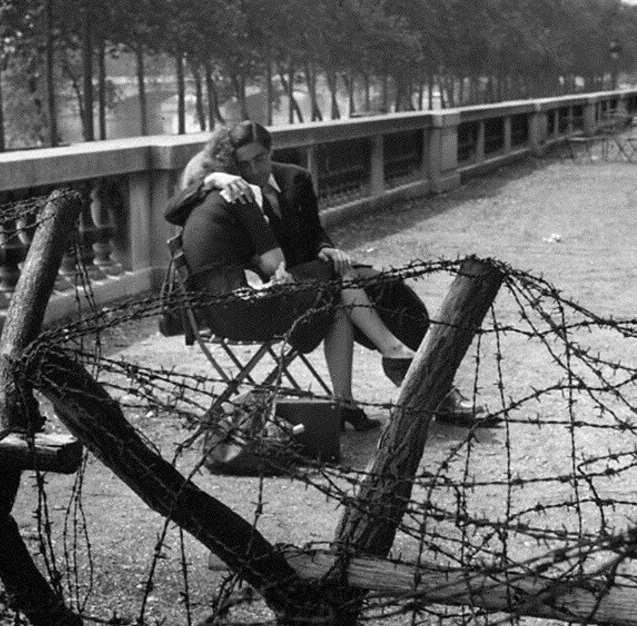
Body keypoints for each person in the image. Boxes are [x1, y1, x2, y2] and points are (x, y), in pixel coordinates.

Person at [164, 121, 488, 427]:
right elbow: (177, 209)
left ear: (271, 151)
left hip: (316, 271)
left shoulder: (296, 179)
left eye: (259, 159)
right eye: (243, 164)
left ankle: (424, 379)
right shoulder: (237, 193)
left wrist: (326, 247)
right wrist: (212, 180)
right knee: (348, 294)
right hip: (287, 286)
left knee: (389, 289)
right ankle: (424, 379)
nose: (253, 170)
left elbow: (316, 230)